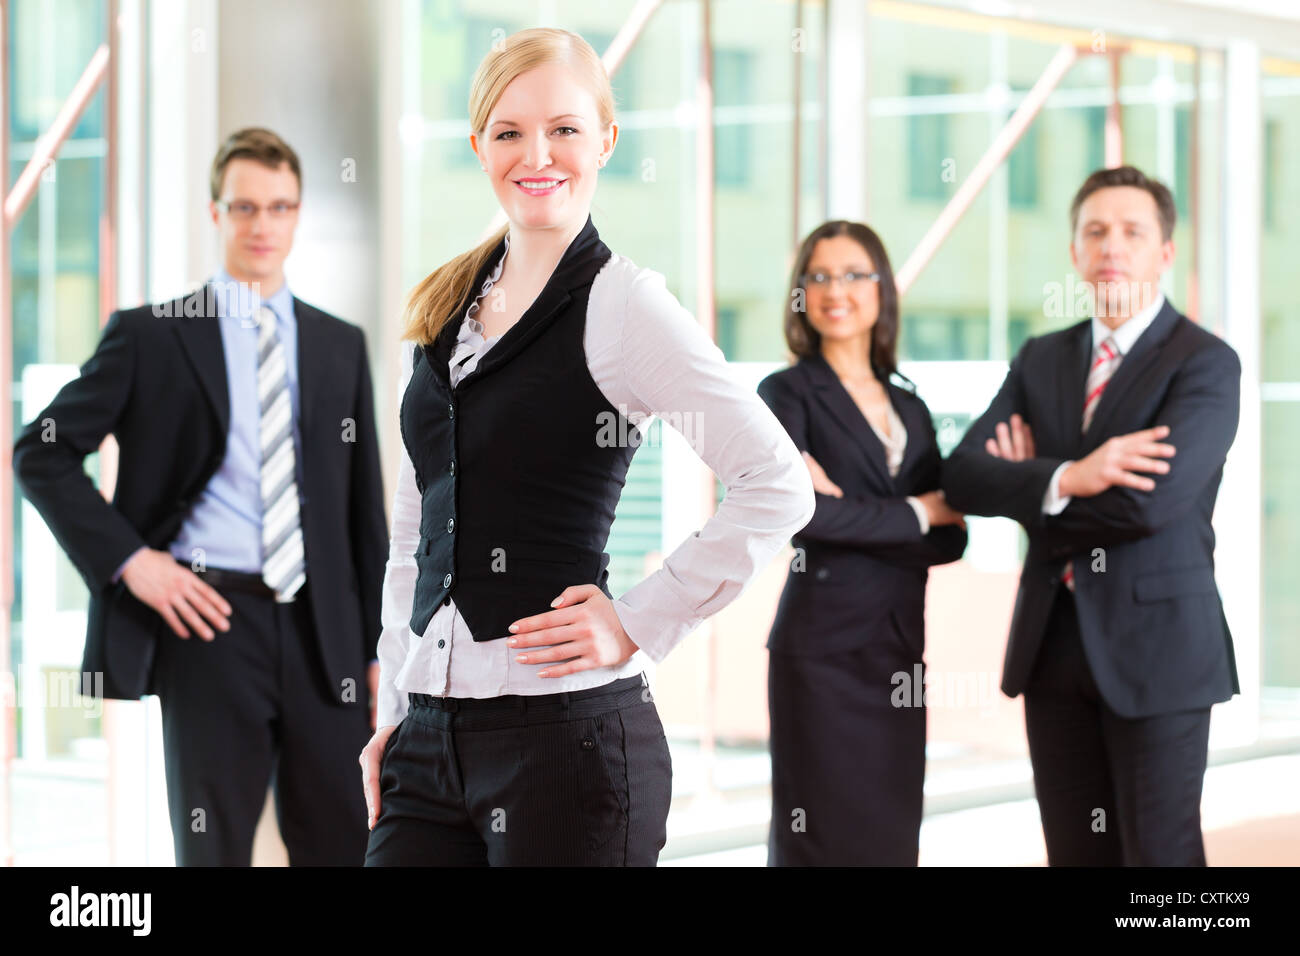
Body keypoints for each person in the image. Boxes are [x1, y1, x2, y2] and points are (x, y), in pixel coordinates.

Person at [359, 27, 814, 867]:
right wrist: (393, 706)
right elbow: (412, 533)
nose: (538, 153)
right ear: (478, 146)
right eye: (509, 132)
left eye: (565, 128)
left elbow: (775, 481)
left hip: (565, 746)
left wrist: (638, 621)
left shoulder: (625, 306)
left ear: (606, 138)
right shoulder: (443, 310)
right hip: (426, 741)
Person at [13, 127, 389, 865]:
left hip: (329, 635)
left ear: (297, 215)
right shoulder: (152, 337)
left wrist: (381, 645)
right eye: (244, 207)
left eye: (279, 208)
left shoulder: (338, 344)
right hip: (209, 628)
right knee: (211, 851)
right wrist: (132, 562)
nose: (262, 226)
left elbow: (361, 513)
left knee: (349, 843)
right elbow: (40, 451)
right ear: (214, 214)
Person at [941, 165, 1241, 866]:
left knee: (1160, 860)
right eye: (1094, 231)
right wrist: (1071, 476)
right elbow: (962, 476)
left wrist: (1030, 492)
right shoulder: (1043, 357)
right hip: (1054, 650)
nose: (1111, 245)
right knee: (1076, 853)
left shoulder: (1204, 364)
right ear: (1074, 251)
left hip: (1159, 651)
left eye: (1132, 232)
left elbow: (1148, 504)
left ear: (1165, 252)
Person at [757, 220, 968, 866]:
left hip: (899, 652)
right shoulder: (785, 394)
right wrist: (915, 513)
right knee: (816, 835)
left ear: (881, 289)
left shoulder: (910, 406)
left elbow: (953, 536)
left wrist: (856, 513)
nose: (834, 290)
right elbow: (802, 517)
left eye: (853, 274)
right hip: (822, 656)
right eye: (817, 277)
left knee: (891, 833)